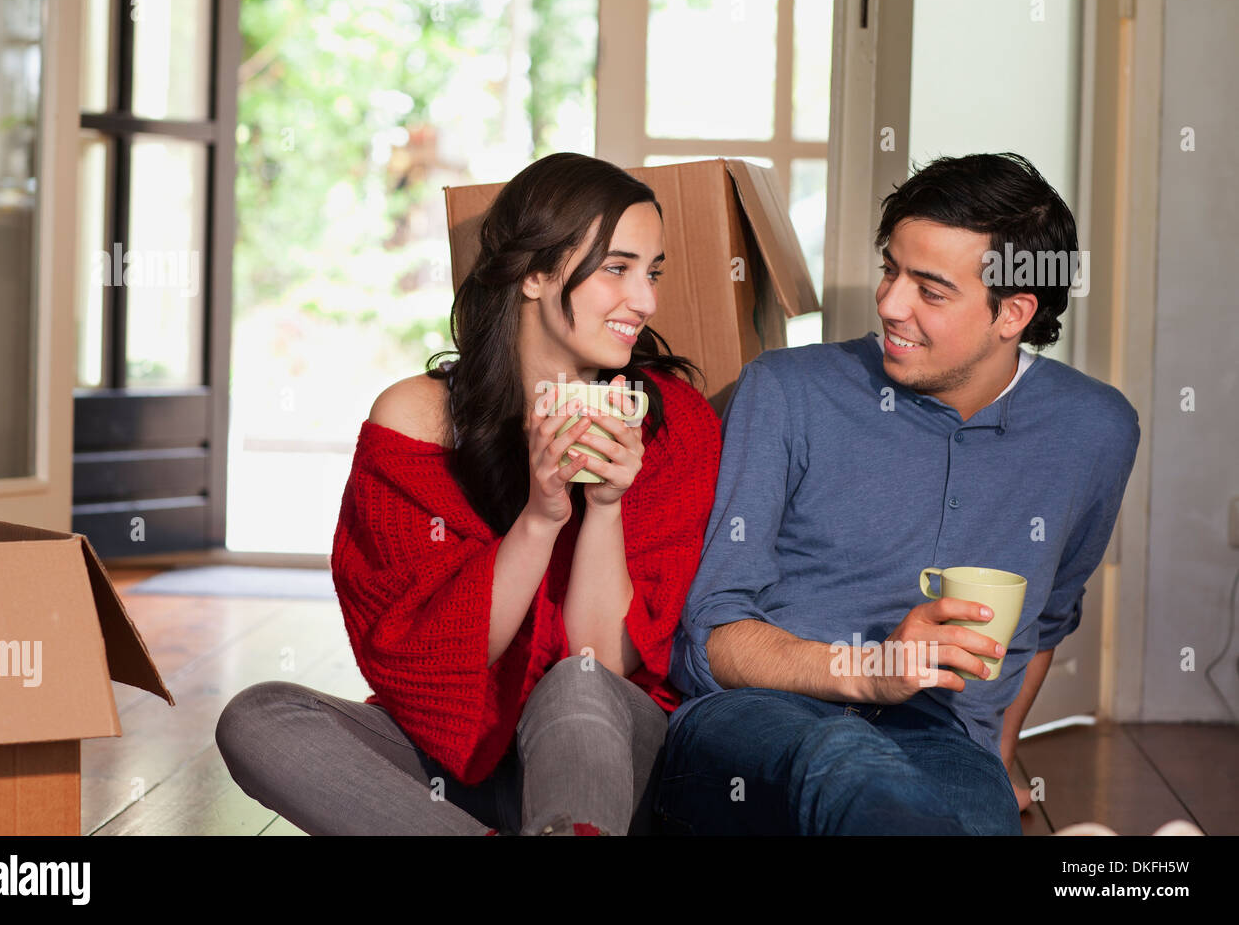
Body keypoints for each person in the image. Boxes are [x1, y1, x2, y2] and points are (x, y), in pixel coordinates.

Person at [216, 152, 721, 835]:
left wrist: (602, 507)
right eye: (618, 269)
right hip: (452, 760)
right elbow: (420, 658)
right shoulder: (416, 419)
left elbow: (599, 659)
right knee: (259, 717)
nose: (647, 301)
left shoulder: (672, 420)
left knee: (574, 683)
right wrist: (541, 520)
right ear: (536, 273)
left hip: (600, 752)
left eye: (652, 272)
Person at [657, 152, 1140, 836]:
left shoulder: (1095, 430)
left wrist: (995, 756)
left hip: (939, 740)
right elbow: (712, 635)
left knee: (971, 813)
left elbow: (1048, 617)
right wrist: (873, 670)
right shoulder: (788, 390)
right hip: (758, 721)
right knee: (846, 755)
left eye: (931, 290)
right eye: (891, 268)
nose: (888, 302)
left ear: (1014, 313)